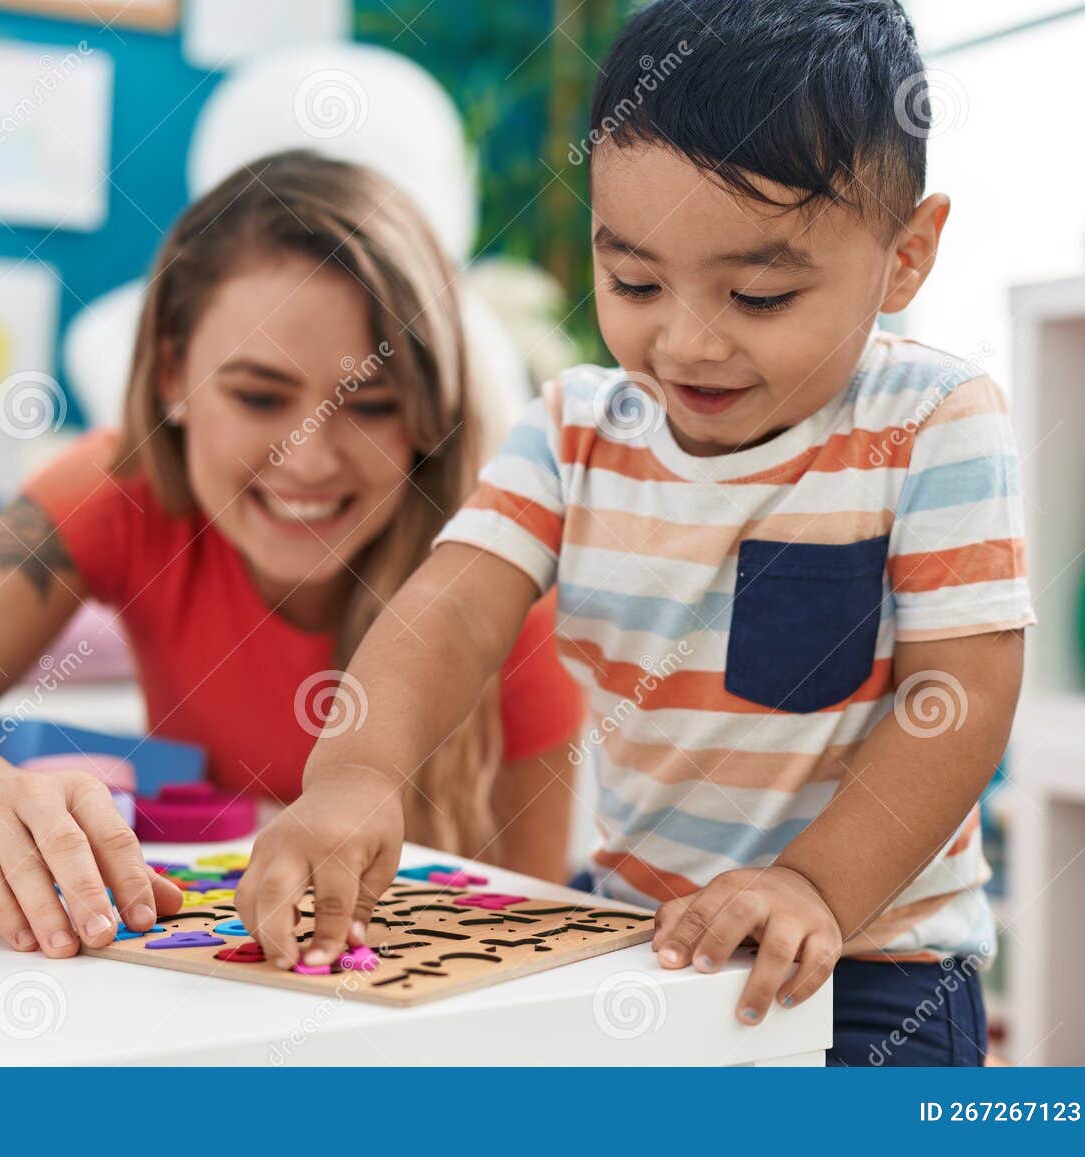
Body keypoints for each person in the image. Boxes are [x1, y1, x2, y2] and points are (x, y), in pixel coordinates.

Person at [238, 2, 1032, 1067]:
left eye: (759, 294)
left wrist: (813, 885)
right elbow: (451, 610)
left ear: (905, 256)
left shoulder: (933, 420)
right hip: (639, 934)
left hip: (871, 961)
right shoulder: (575, 427)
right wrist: (356, 769)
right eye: (635, 283)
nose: (687, 342)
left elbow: (961, 697)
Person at [0, 151, 585, 960]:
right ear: (172, 373)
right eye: (258, 396)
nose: (308, 457)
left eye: (371, 405)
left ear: (428, 413)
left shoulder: (502, 586)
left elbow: (534, 944)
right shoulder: (117, 493)